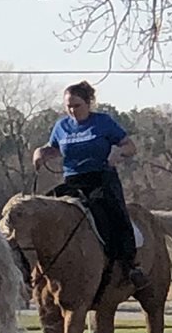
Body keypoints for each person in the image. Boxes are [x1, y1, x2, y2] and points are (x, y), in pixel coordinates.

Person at [31, 80, 147, 290]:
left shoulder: (103, 122)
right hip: (72, 180)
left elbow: (130, 146)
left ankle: (131, 265)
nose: (72, 111)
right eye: (69, 106)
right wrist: (40, 153)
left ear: (88, 103)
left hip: (101, 178)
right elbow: (54, 148)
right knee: (44, 210)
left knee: (115, 214)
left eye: (77, 106)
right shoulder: (61, 126)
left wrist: (118, 152)